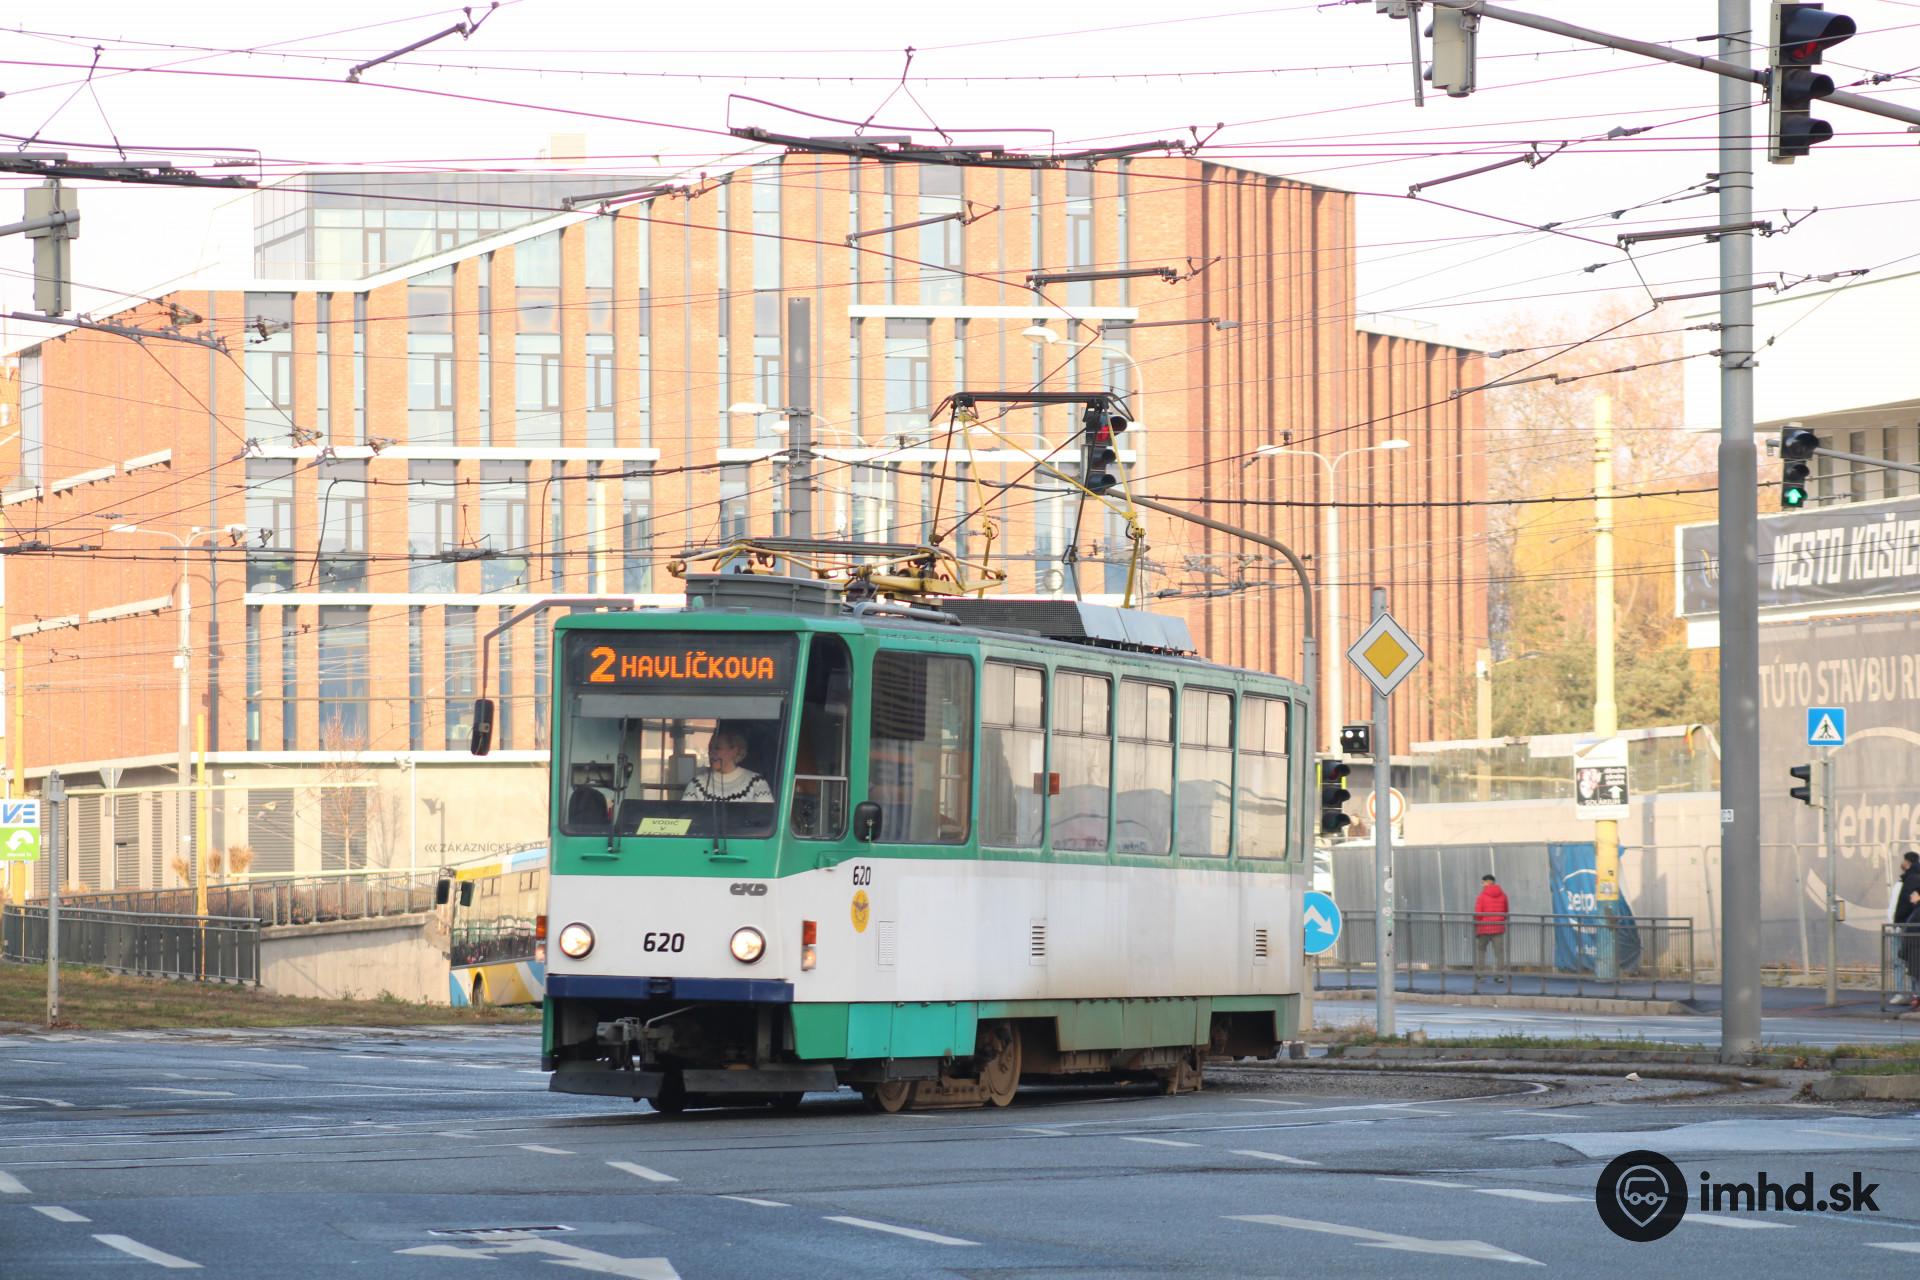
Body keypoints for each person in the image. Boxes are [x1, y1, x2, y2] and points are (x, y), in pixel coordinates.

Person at [682, 728, 773, 803]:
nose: (711, 753)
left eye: (717, 748)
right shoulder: (697, 783)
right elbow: (685, 816)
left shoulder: (756, 782)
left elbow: (766, 816)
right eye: (710, 748)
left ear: (735, 751)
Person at [1473, 872, 1511, 984]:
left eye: (1483, 882)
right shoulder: (1503, 895)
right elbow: (1506, 911)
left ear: (1487, 882)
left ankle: (1480, 975)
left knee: (1481, 951)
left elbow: (1478, 914)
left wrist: (1477, 925)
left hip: (1484, 928)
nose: (1482, 884)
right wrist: (1500, 921)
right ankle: (1499, 976)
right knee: (1499, 953)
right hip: (1498, 928)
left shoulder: (1482, 896)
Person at [1895, 851, 1920, 1011]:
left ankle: (1915, 996)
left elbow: (1904, 904)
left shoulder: (1912, 878)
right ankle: (1915, 996)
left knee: (1915, 969)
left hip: (1912, 936)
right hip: (1910, 932)